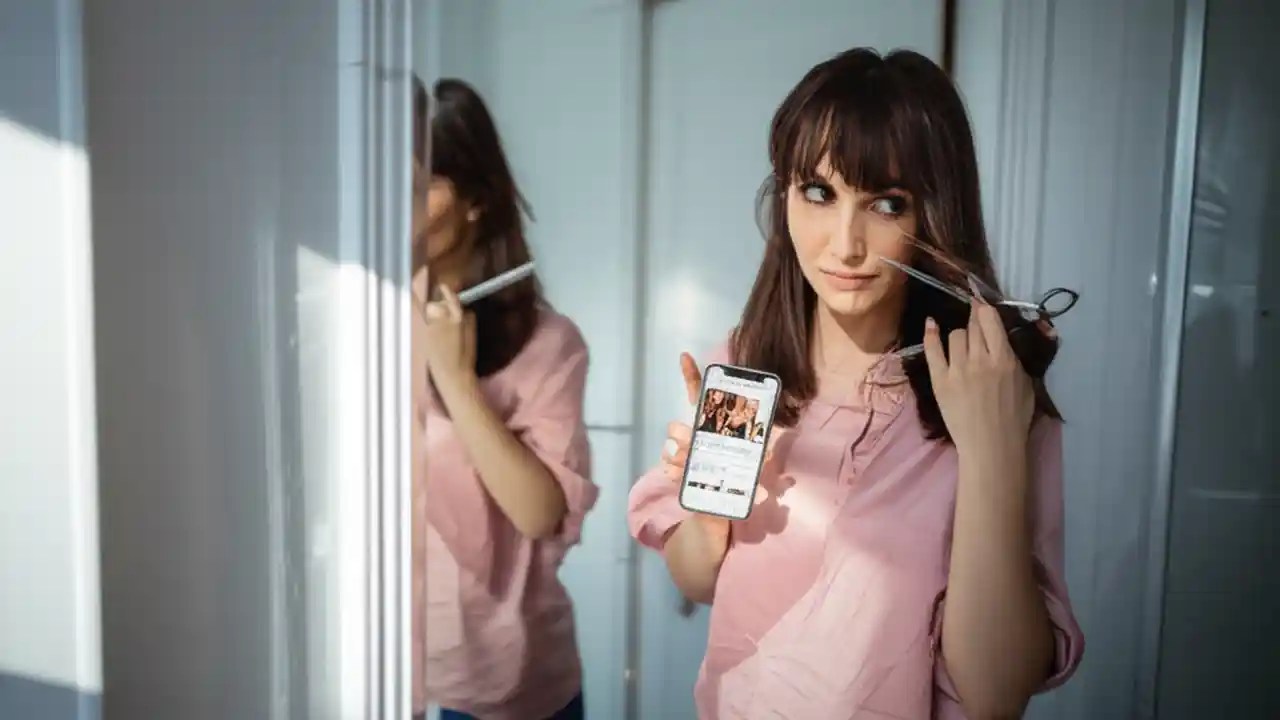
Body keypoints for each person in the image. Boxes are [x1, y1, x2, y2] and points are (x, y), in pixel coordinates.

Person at [627, 48, 1084, 719]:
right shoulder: (749, 362)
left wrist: (990, 453)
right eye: (818, 193)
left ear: (936, 213)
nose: (845, 244)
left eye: (886, 203)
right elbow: (700, 580)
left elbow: (995, 697)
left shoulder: (994, 394)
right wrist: (710, 511)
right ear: (783, 196)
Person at [411, 76, 595, 720]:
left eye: (419, 186)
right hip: (389, 668)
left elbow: (540, 514)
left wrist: (456, 381)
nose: (397, 206)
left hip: (506, 685)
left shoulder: (548, 343)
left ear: (476, 201)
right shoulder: (366, 323)